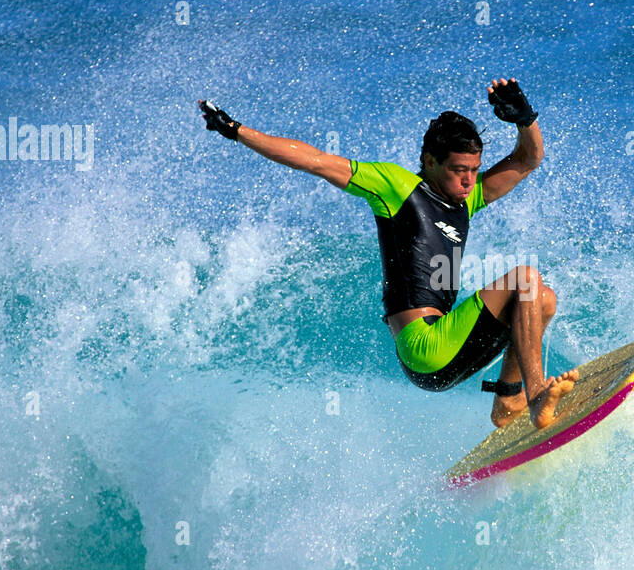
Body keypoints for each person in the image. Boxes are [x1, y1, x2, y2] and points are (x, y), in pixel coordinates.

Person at [198, 78, 578, 430]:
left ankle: (508, 402)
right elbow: (316, 161)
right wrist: (236, 131)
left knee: (542, 299)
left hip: (449, 347)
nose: (468, 180)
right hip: (424, 348)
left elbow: (528, 159)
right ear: (430, 161)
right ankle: (537, 395)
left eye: (474, 170)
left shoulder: (469, 198)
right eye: (459, 170)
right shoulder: (397, 187)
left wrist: (525, 119)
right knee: (525, 278)